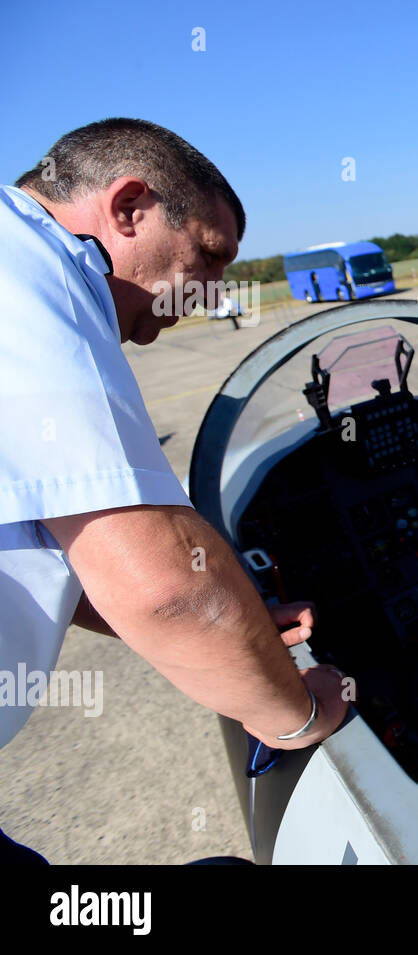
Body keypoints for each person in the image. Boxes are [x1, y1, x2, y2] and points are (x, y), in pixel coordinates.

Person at [0, 119, 348, 862]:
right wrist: (299, 710)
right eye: (209, 257)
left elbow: (77, 555)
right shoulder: (33, 280)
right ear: (128, 208)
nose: (216, 292)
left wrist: (243, 622)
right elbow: (170, 589)